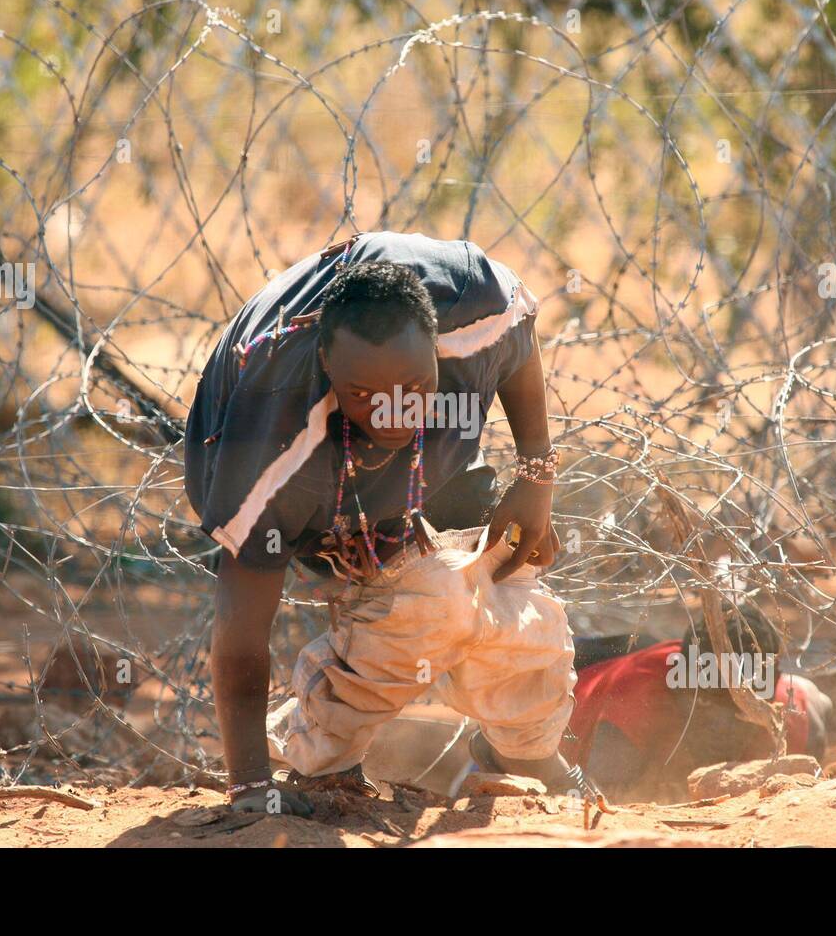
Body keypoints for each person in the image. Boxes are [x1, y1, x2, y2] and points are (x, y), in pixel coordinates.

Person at [184, 231, 600, 815]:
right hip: (310, 479)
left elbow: (518, 341)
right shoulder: (274, 452)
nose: (394, 412)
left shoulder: (471, 308)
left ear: (437, 347)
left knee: (503, 592)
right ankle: (319, 762)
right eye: (364, 393)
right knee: (417, 609)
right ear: (328, 366)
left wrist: (536, 476)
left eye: (414, 389)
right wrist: (250, 787)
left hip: (430, 465)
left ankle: (524, 751)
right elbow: (242, 625)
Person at [561, 605, 832, 801]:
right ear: (678, 689)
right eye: (706, 709)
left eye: (740, 714)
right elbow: (587, 793)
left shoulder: (791, 716)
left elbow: (818, 704)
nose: (721, 728)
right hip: (589, 669)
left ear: (766, 701)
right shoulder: (636, 701)